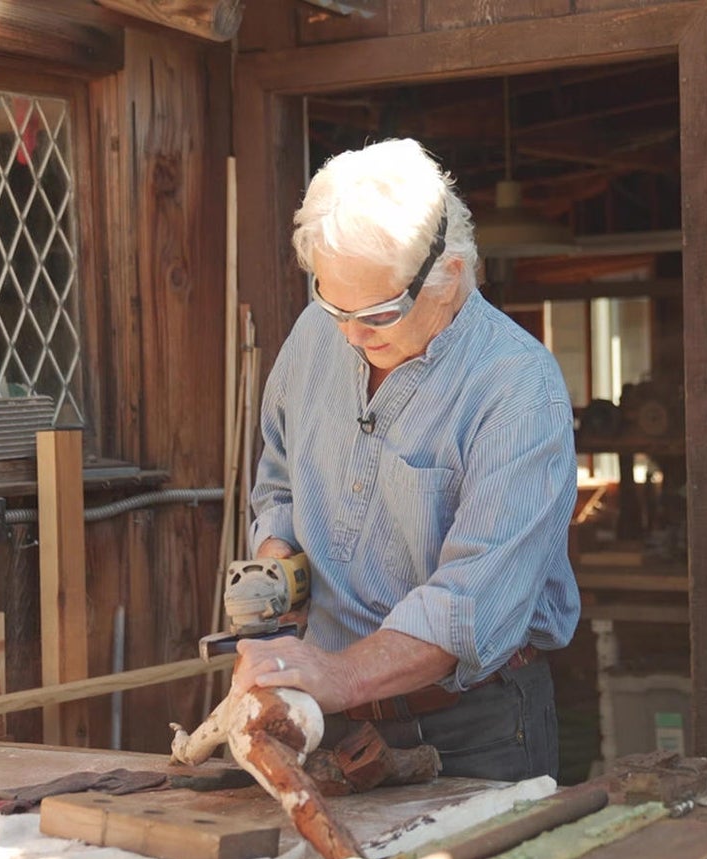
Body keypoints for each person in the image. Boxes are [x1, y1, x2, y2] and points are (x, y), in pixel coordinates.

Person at [233, 137, 580, 781]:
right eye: (331, 303)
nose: (351, 335)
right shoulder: (317, 334)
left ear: (450, 275)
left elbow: (472, 604)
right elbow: (280, 482)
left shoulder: (517, 389)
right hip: (327, 716)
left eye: (378, 313)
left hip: (471, 728)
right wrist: (276, 582)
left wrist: (337, 673)